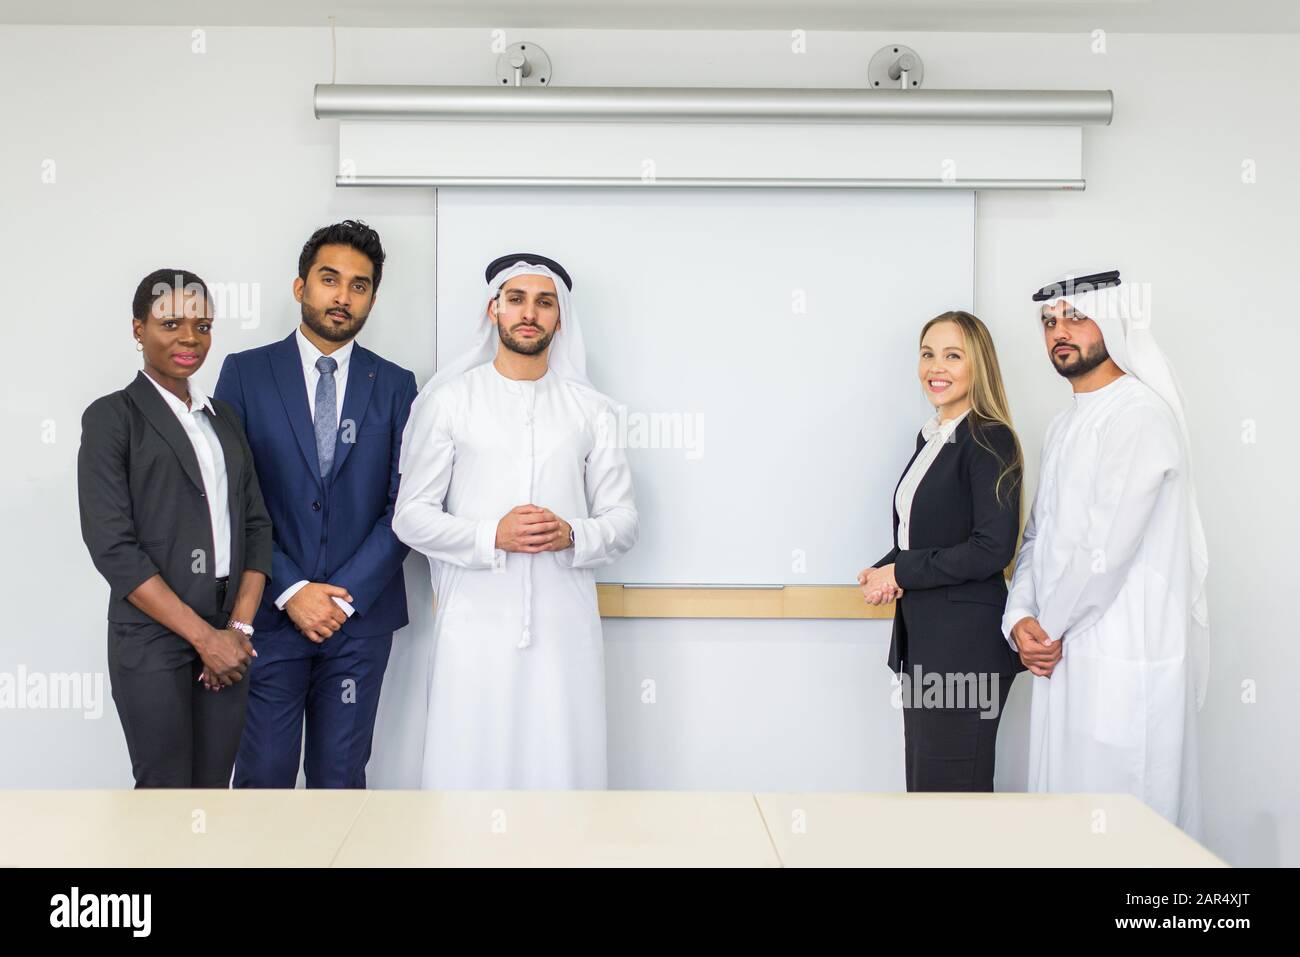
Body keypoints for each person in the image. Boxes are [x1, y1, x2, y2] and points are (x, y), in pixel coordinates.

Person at [393, 253, 638, 789]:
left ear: (559, 319)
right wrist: (491, 536)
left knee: (562, 769)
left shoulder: (591, 410)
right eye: (517, 300)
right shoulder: (449, 401)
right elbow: (410, 518)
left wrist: (573, 533)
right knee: (468, 770)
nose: (530, 312)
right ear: (494, 311)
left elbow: (623, 521)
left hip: (564, 627)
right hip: (473, 626)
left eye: (544, 302)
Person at [1002, 269, 1208, 834]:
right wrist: (1020, 619)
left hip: (1121, 657)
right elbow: (1038, 536)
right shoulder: (1064, 425)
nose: (1059, 331)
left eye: (1075, 316)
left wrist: (1047, 629)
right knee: (1066, 829)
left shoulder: (1139, 415)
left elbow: (1106, 549)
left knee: (1126, 832)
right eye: (1049, 322)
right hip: (1061, 653)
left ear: (1112, 321)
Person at [215, 221, 418, 788]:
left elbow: (407, 505)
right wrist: (292, 590)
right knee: (264, 777)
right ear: (300, 286)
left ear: (373, 298)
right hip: (268, 616)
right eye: (330, 280)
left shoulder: (398, 385)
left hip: (359, 623)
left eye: (359, 285)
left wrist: (340, 600)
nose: (343, 296)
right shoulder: (245, 373)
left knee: (341, 783)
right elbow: (232, 496)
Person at [78, 269, 272, 787]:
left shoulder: (223, 419)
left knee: (211, 790)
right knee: (164, 793)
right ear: (138, 328)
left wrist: (236, 631)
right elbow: (113, 547)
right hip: (152, 637)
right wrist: (201, 637)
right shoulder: (112, 418)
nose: (190, 338)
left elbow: (256, 525)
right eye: (171, 323)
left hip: (230, 634)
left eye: (203, 325)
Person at [859, 311, 1024, 791]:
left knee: (953, 794)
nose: (937, 366)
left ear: (979, 366)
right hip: (929, 640)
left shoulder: (989, 437)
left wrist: (902, 572)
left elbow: (991, 548)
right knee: (928, 789)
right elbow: (927, 535)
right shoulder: (931, 437)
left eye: (953, 355)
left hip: (964, 647)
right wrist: (885, 567)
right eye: (928, 353)